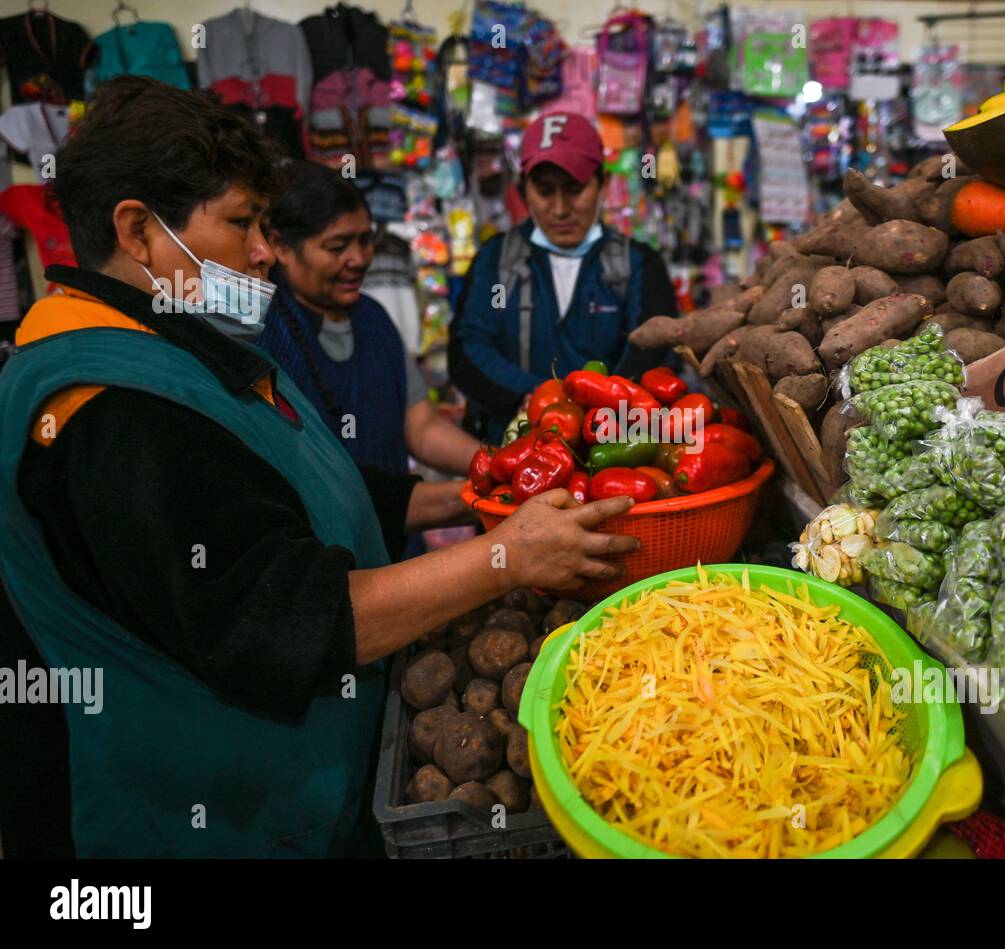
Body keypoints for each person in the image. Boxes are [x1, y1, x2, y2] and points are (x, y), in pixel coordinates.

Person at [0, 77, 636, 859]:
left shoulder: (175, 346)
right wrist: (506, 556)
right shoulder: (108, 408)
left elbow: (297, 487)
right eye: (241, 224)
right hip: (201, 829)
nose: (264, 251)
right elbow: (286, 619)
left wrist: (472, 498)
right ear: (138, 232)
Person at [254, 161, 479, 555]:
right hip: (328, 557)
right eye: (338, 247)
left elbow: (421, 426)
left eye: (365, 240)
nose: (359, 259)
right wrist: (469, 498)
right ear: (281, 247)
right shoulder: (263, 334)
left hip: (399, 546)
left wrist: (496, 463)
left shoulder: (374, 319)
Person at [449, 111, 678, 442]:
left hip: (612, 451)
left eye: (575, 189)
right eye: (544, 191)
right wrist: (533, 399)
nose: (560, 209)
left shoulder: (637, 264)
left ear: (604, 183)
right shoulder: (495, 261)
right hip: (519, 455)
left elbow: (655, 350)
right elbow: (468, 348)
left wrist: (597, 411)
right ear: (522, 190)